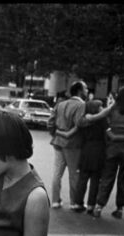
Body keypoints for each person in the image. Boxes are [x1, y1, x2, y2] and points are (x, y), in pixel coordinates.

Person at [84, 86, 124, 219]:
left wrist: (89, 117)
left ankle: (99, 206)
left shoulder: (113, 108)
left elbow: (98, 116)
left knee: (107, 178)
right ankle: (120, 208)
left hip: (112, 149)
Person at [56, 99, 107, 215]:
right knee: (95, 180)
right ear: (96, 109)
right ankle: (90, 206)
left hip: (85, 150)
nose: (102, 108)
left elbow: (70, 134)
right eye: (100, 106)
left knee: (83, 179)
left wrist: (58, 132)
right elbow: (107, 136)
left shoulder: (84, 121)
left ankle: (78, 203)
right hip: (99, 150)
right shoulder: (102, 121)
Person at [47, 80, 88, 211]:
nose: (87, 91)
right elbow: (80, 124)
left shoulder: (61, 104)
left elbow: (50, 122)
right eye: (86, 89)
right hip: (73, 144)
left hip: (58, 142)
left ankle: (55, 200)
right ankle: (74, 202)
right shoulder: (81, 105)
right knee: (74, 174)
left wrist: (56, 133)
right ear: (80, 91)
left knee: (57, 173)